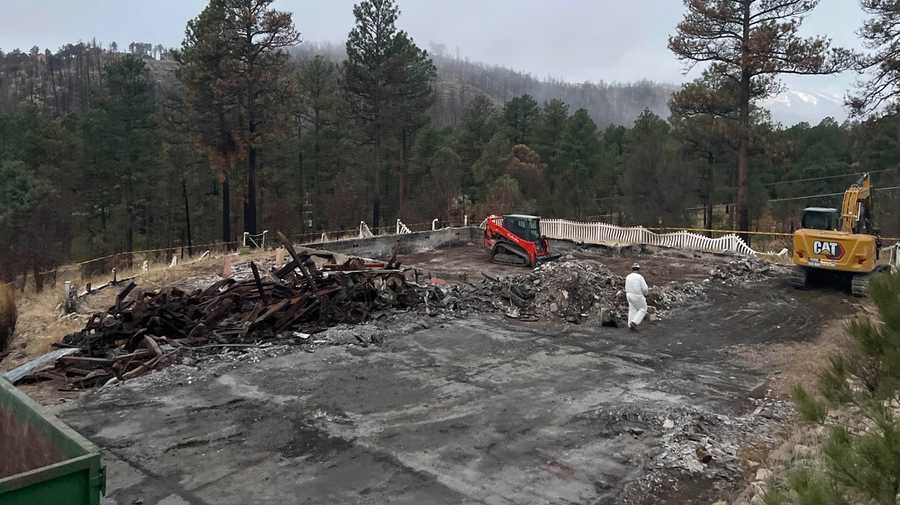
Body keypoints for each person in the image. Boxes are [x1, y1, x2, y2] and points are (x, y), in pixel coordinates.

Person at [624, 263, 649, 331]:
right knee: (643, 309)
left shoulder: (628, 276)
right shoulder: (640, 277)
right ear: (638, 269)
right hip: (637, 295)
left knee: (632, 309)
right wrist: (646, 294)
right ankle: (634, 322)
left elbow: (625, 287)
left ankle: (630, 324)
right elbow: (645, 289)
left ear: (632, 269)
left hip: (628, 295)